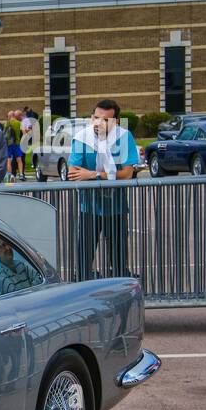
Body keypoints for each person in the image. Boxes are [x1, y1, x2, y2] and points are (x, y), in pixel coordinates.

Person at [70, 98, 137, 277]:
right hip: (89, 205)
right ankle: (83, 284)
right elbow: (73, 172)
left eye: (106, 119)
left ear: (115, 122)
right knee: (84, 254)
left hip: (116, 205)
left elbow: (127, 173)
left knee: (118, 257)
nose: (99, 123)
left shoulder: (124, 137)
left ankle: (119, 283)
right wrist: (107, 176)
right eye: (97, 117)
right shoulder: (81, 137)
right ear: (92, 117)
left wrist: (93, 175)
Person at [4, 109, 25, 181]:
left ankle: (10, 175)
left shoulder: (6, 123)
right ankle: (21, 174)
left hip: (8, 144)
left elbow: (4, 135)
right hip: (17, 144)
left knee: (8, 160)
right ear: (14, 115)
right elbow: (24, 133)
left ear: (9, 116)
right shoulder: (19, 123)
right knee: (19, 159)